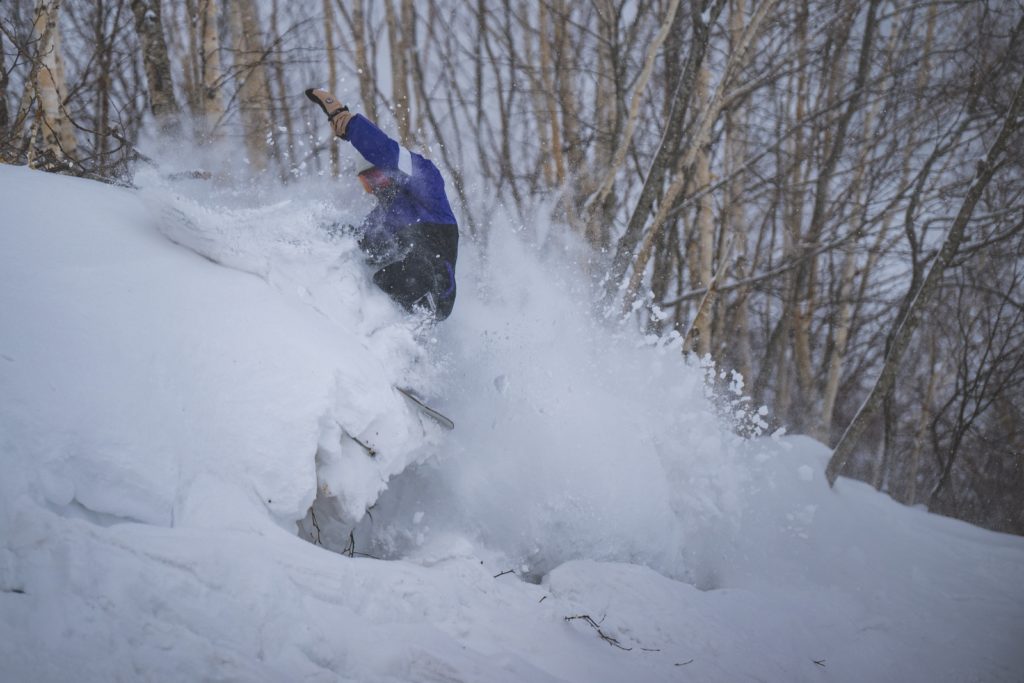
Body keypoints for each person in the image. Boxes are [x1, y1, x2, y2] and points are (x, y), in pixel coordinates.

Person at [305, 88, 459, 321]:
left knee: (412, 272)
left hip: (437, 284)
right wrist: (312, 239)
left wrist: (347, 123)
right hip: (410, 288)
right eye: (368, 183)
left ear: (390, 171)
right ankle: (387, 339)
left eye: (377, 178)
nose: (376, 188)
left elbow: (388, 152)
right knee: (380, 277)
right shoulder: (382, 218)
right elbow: (355, 243)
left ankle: (411, 314)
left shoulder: (426, 185)